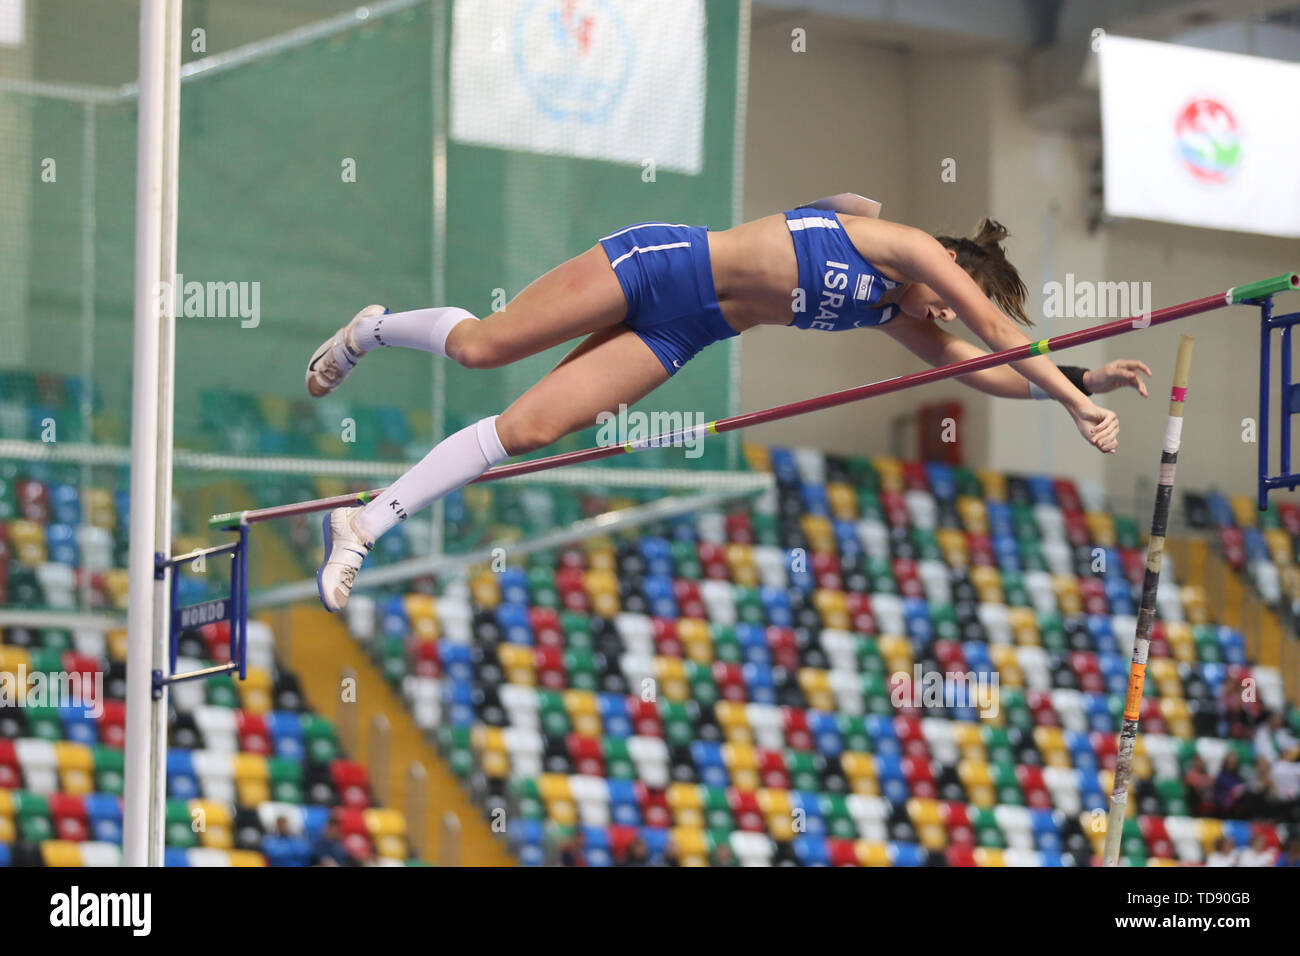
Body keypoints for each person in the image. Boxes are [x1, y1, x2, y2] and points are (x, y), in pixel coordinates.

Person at [307, 197, 1152, 610]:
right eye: (950, 300)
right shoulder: (905, 249)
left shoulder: (895, 311)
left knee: (529, 428)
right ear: (952, 271)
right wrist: (1073, 401)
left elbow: (983, 367)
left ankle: (363, 526)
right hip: (657, 266)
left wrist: (1083, 385)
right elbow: (998, 336)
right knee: (484, 346)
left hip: (686, 331)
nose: (941, 317)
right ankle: (372, 331)